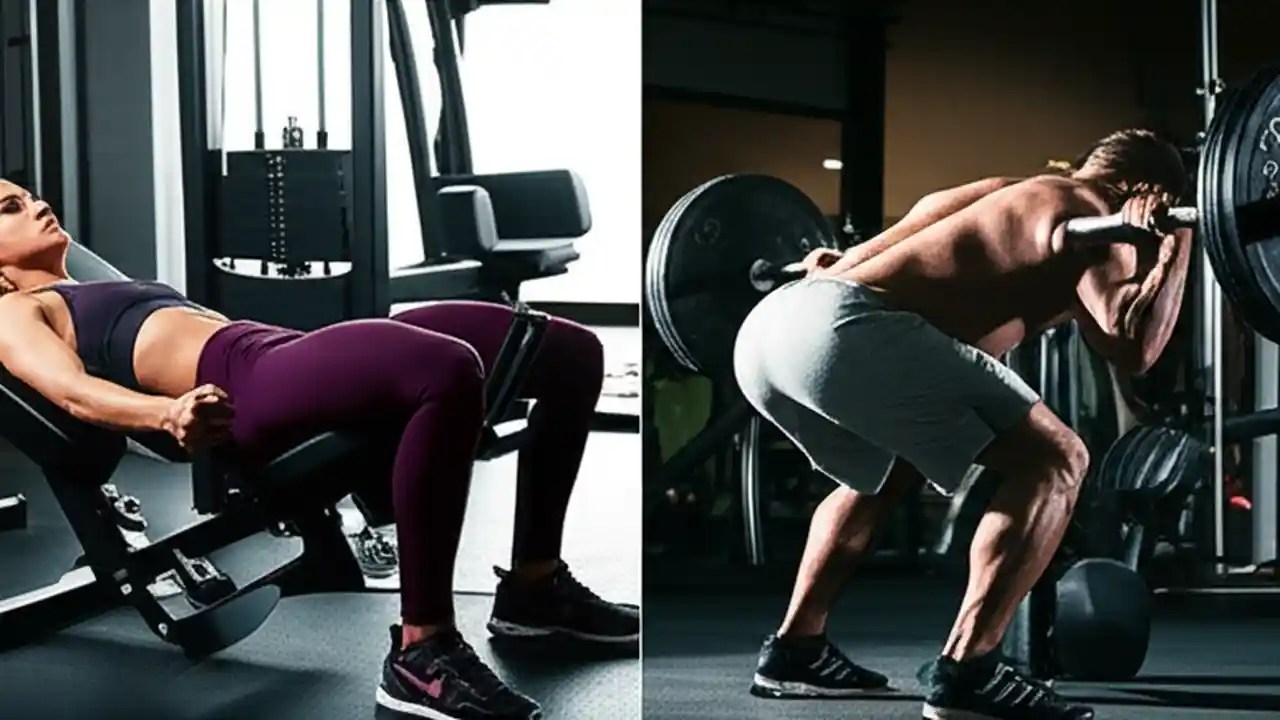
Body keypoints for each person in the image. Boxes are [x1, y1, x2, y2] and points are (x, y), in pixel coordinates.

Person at [0, 179, 639, 720]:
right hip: (247, 384)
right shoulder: (16, 314)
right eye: (9, 209)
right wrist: (166, 414)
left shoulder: (84, 283)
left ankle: (534, 587)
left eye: (26, 196)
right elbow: (74, 393)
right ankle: (422, 649)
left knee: (572, 352)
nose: (34, 205)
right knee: (445, 368)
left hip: (279, 350)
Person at [733, 129, 1192, 720]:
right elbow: (1134, 348)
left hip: (777, 324)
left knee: (882, 474)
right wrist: (1176, 239)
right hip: (852, 332)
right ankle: (969, 669)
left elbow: (849, 264)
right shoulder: (1093, 212)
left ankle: (795, 650)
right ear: (1144, 188)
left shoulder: (998, 193)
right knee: (1057, 460)